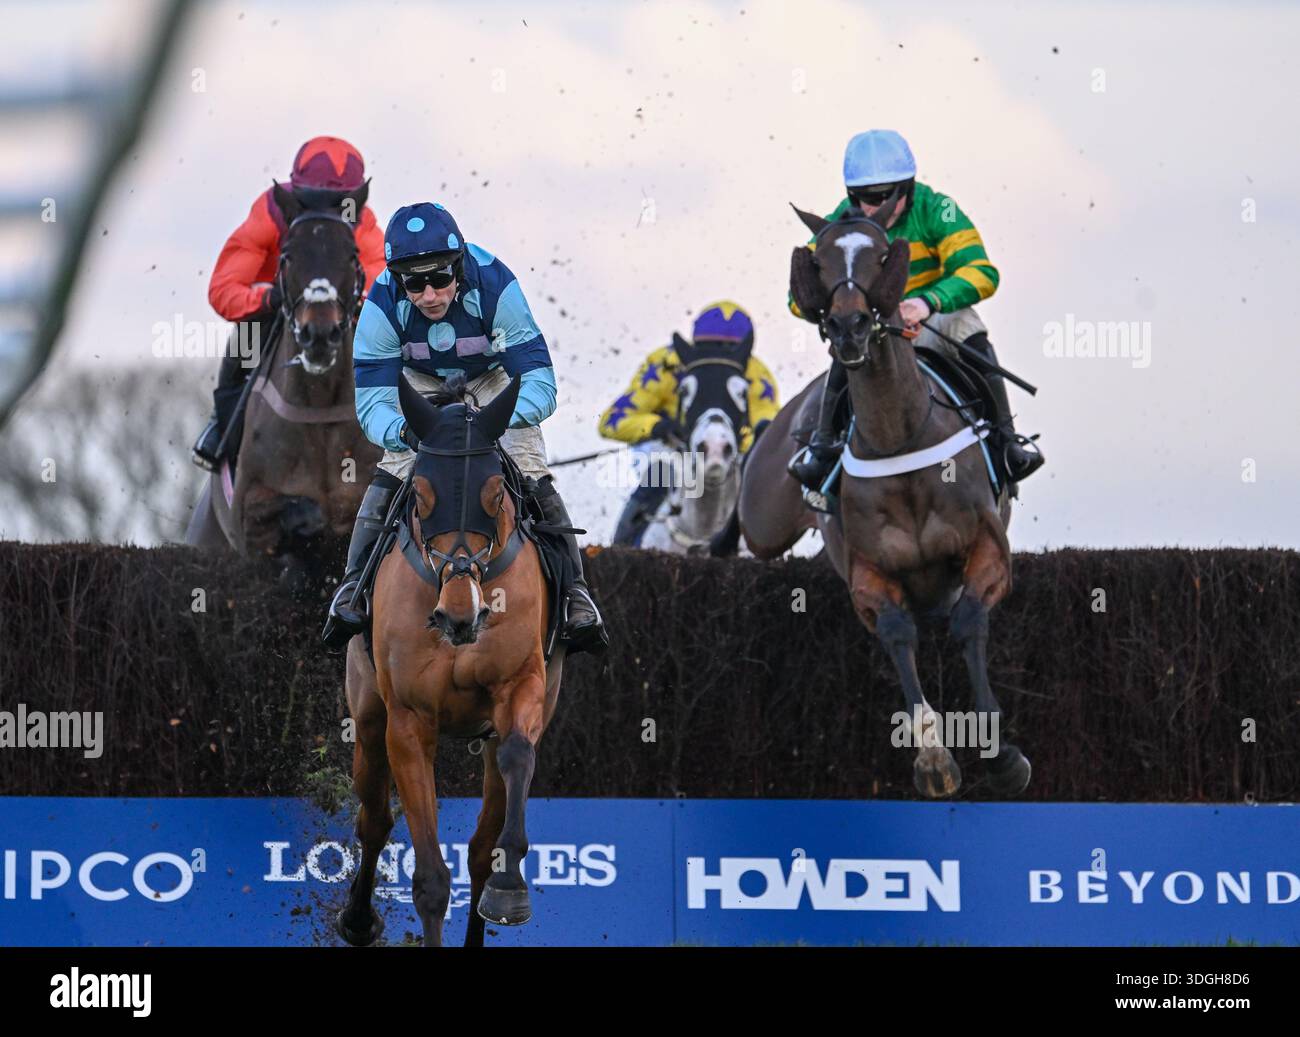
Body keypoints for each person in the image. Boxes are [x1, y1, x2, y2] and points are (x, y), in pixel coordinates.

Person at [321, 201, 607, 654]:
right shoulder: (380, 302)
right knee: (395, 466)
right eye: (415, 284)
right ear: (398, 279)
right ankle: (353, 586)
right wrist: (407, 434)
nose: (430, 295)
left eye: (440, 279)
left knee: (529, 466)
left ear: (460, 266)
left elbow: (540, 384)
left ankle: (575, 594)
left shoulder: (496, 285)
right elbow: (374, 402)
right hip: (421, 383)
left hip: (492, 380)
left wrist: (491, 424)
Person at [788, 129, 1043, 492]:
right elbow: (795, 299)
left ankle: (1007, 441)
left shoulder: (938, 209)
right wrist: (812, 300)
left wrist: (927, 303)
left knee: (965, 323)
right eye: (860, 197)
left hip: (935, 319)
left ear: (906, 187)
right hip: (876, 328)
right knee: (845, 343)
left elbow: (981, 271)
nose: (870, 208)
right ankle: (824, 446)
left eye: (881, 196)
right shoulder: (839, 223)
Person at [190, 135, 386, 471]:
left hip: (335, 308)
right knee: (247, 336)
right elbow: (223, 288)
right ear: (295, 196)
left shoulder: (360, 219)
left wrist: (357, 301)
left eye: (338, 204)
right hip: (275, 305)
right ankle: (223, 425)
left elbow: (382, 280)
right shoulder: (269, 212)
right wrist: (267, 296)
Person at [597, 302, 779, 545]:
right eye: (709, 348)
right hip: (670, 447)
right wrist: (658, 426)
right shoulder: (664, 363)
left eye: (728, 349)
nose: (718, 357)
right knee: (660, 472)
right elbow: (612, 421)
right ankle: (624, 545)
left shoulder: (755, 373)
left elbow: (768, 424)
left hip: (729, 450)